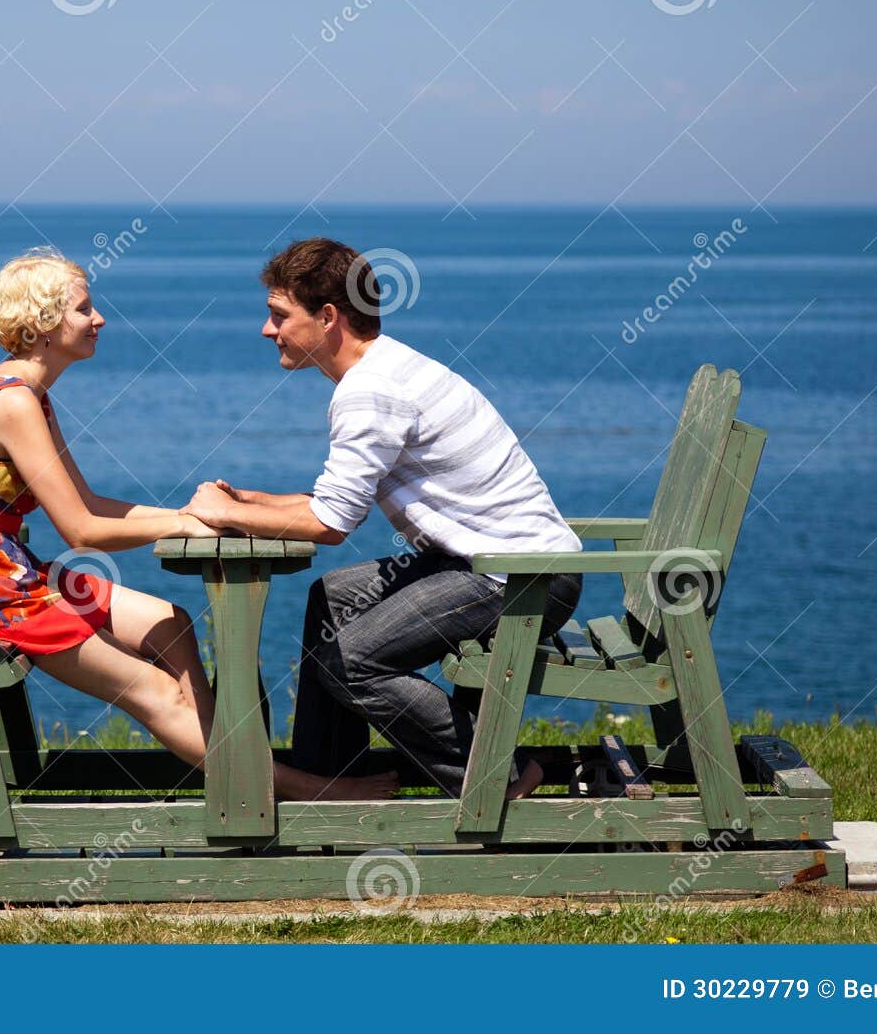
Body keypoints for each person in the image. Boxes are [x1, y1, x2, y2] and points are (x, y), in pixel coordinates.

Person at [0, 246, 398, 802]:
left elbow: (88, 501)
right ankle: (295, 789)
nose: (98, 319)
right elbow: (82, 531)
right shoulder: (15, 403)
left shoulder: (28, 396)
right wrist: (187, 527)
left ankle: (229, 764)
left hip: (2, 571)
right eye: (82, 310)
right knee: (157, 694)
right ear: (43, 324)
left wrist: (186, 516)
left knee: (173, 624)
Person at [184, 237, 583, 800]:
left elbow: (331, 524)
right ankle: (334, 783)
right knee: (334, 596)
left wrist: (224, 513)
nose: (266, 330)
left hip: (519, 577)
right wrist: (249, 503)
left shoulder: (371, 392)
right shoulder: (383, 369)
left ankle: (502, 774)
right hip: (483, 564)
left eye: (278, 316)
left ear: (327, 318)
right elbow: (334, 500)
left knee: (350, 661)